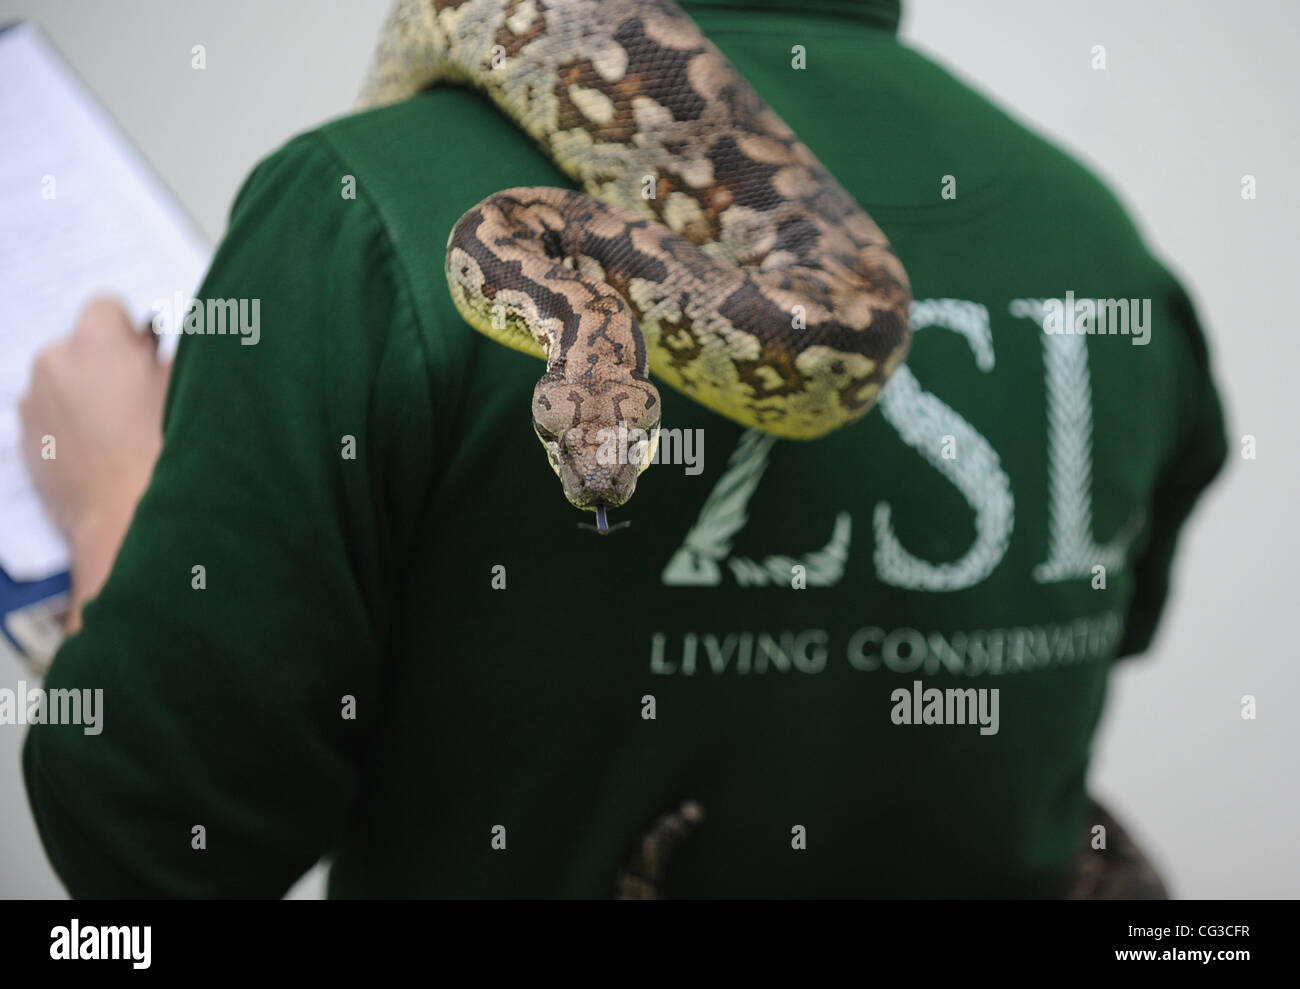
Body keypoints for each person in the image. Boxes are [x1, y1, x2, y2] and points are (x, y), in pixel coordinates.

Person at [20, 0, 1227, 897]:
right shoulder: (1106, 237)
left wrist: (113, 492)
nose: (602, 468)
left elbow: (152, 849)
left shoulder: (352, 207)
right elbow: (1093, 657)